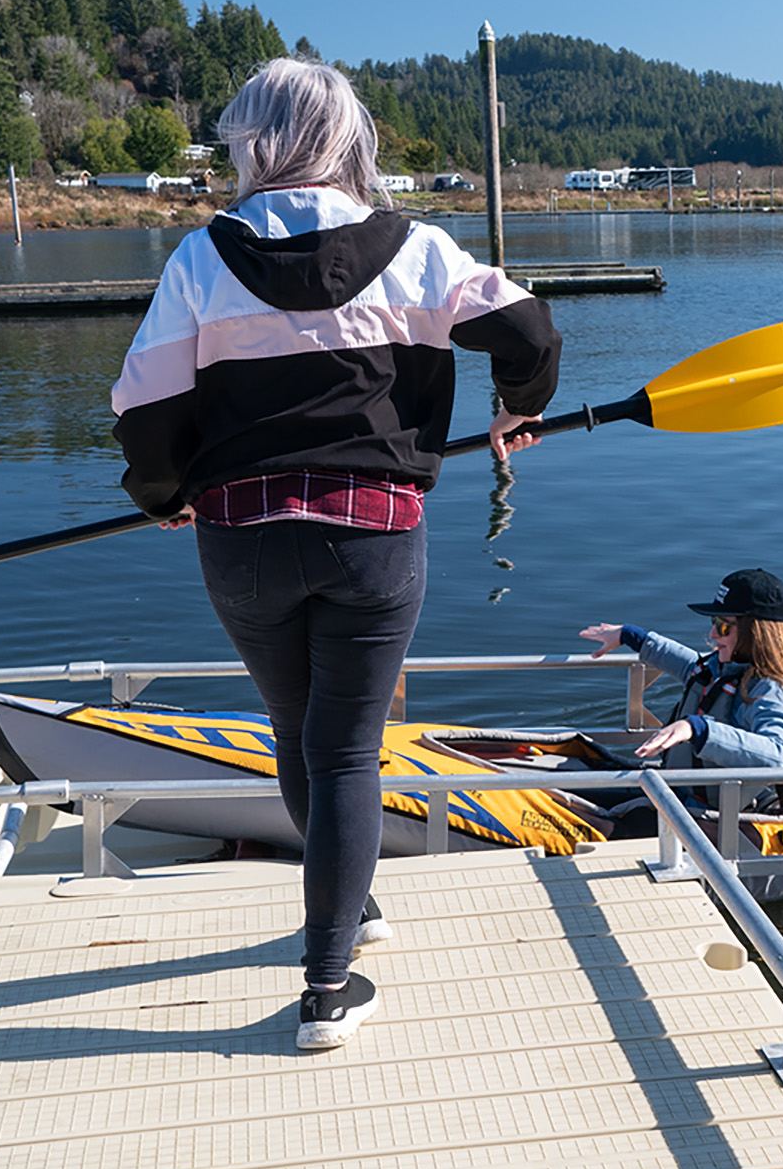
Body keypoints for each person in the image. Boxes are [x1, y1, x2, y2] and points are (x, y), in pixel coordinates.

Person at [109, 58, 560, 1051]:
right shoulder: (419, 250)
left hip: (241, 540)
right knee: (346, 744)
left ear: (253, 142)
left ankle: (348, 912)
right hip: (371, 532)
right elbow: (530, 330)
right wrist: (518, 409)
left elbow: (141, 405)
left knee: (297, 728)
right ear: (345, 137)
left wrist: (163, 492)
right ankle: (326, 985)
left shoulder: (200, 258)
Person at [578, 569, 783, 808]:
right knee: (575, 785)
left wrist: (699, 729)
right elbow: (691, 667)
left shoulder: (774, 689)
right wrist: (630, 636)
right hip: (689, 792)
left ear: (755, 632)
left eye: (723, 626)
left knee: (575, 800)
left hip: (723, 814)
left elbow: (779, 755)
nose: (713, 634)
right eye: (714, 622)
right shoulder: (736, 668)